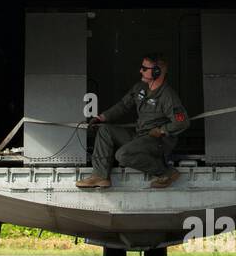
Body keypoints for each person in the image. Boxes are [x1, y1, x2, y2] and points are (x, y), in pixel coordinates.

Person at [77, 54, 188, 190]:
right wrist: (102, 117)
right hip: (140, 136)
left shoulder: (168, 96)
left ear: (156, 72)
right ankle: (100, 176)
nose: (140, 71)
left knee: (123, 155)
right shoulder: (140, 88)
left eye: (144, 68)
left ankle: (166, 172)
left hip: (157, 141)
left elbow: (182, 122)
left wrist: (162, 130)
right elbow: (123, 105)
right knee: (105, 130)